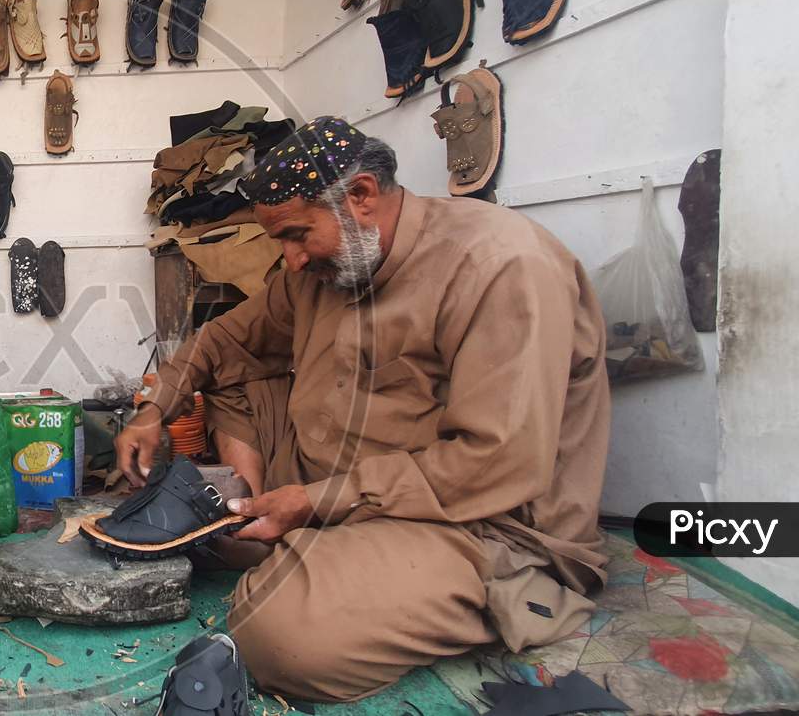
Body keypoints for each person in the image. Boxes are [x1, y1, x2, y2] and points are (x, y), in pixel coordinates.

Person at [115, 118, 611, 702]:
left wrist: (316, 501)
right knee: (229, 373)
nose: (291, 260)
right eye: (281, 241)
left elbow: (497, 462)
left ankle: (307, 553)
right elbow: (225, 341)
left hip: (478, 522)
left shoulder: (500, 267)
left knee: (278, 634)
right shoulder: (322, 271)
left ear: (362, 196)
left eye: (298, 235)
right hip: (337, 481)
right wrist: (154, 408)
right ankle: (257, 514)